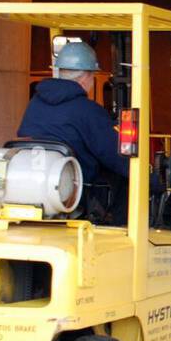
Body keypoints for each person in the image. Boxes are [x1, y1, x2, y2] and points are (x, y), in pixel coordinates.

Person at [18, 40, 129, 223]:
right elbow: (115, 155)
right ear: (85, 76)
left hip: (34, 185)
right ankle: (120, 232)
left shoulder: (35, 104)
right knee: (123, 178)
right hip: (77, 191)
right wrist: (153, 180)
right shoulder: (88, 110)